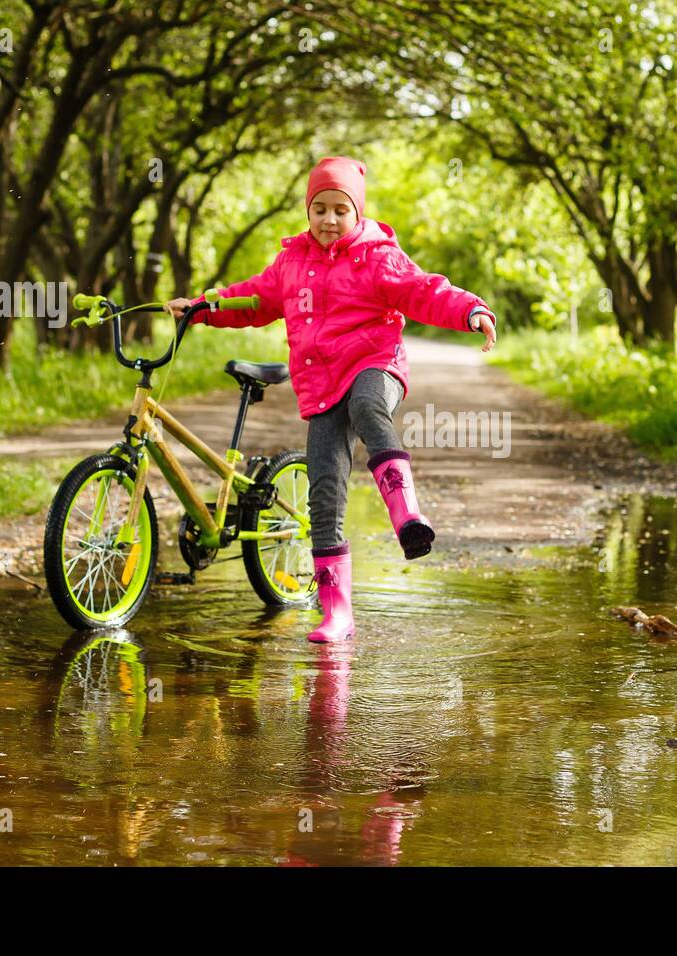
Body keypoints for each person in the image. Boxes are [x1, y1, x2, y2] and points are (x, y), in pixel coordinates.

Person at [166, 155, 497, 643]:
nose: (329, 219)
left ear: (357, 212)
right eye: (319, 208)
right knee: (324, 494)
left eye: (340, 209)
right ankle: (336, 611)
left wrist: (470, 310)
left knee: (367, 406)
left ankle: (406, 513)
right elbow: (253, 300)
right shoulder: (290, 263)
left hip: (374, 365)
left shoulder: (377, 256)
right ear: (308, 211)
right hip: (321, 386)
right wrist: (201, 308)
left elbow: (424, 291)